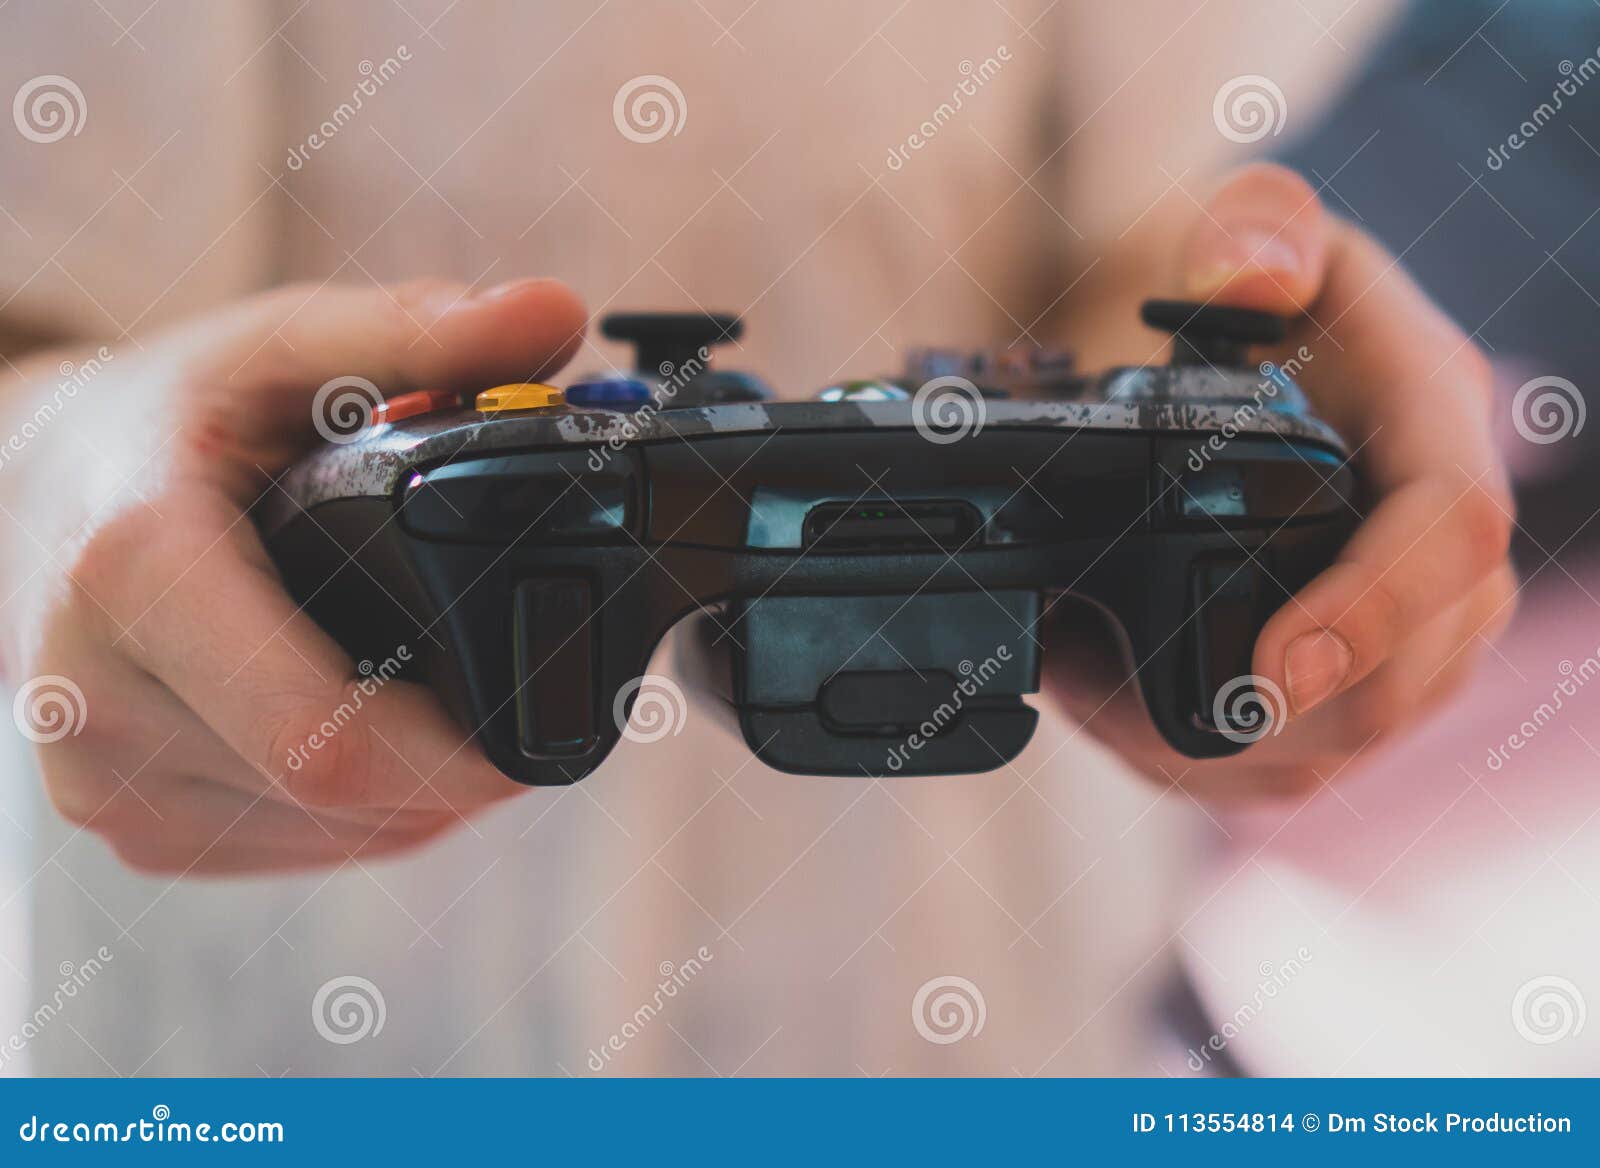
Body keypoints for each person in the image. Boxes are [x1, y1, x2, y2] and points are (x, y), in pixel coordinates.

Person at [0, 0, 1510, 1074]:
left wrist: (1242, 357)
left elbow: (1112, 226)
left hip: (969, 959)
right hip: (305, 997)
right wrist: (64, 475)